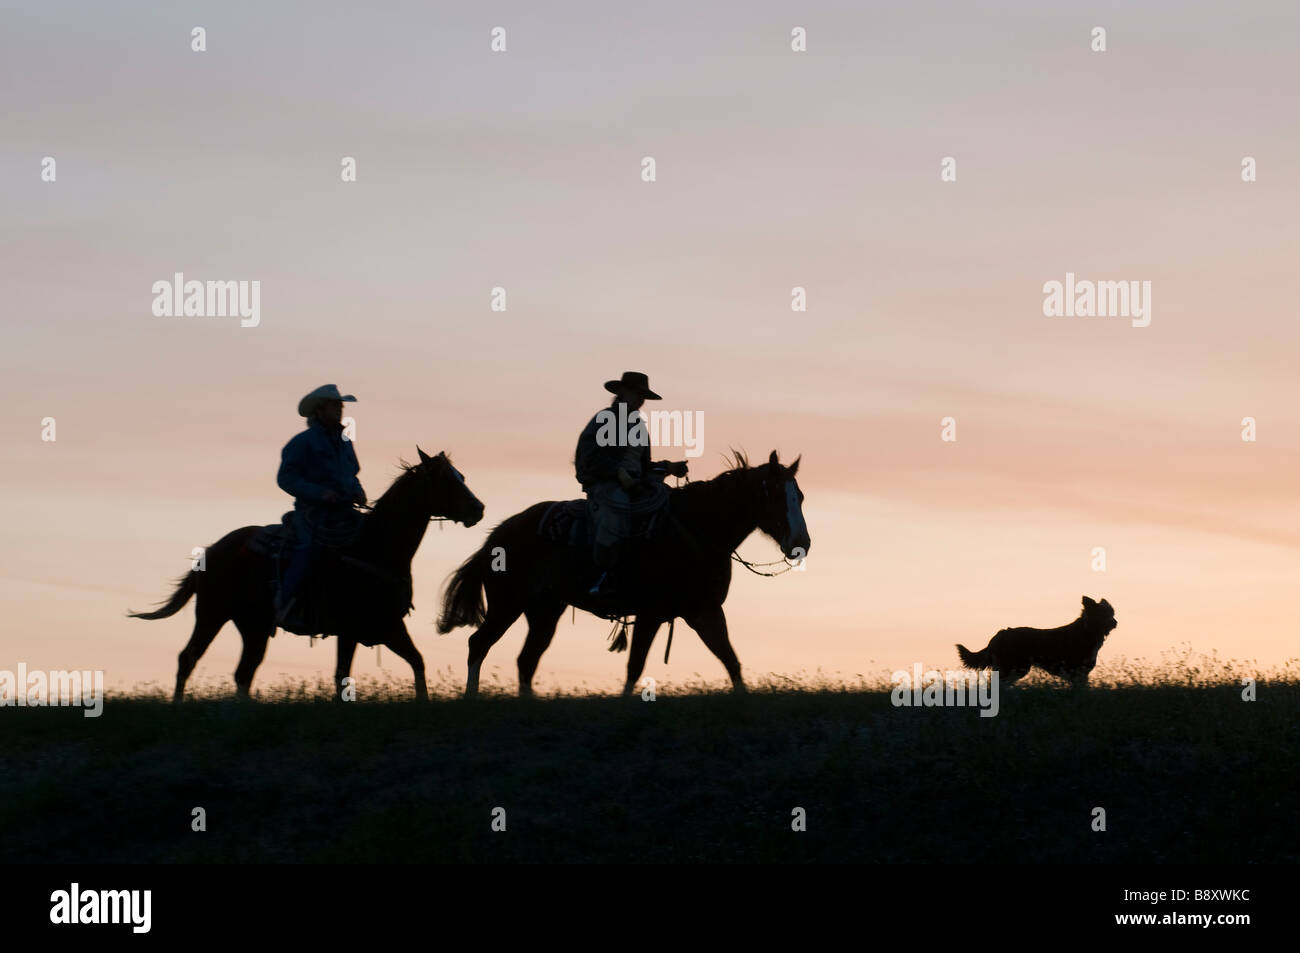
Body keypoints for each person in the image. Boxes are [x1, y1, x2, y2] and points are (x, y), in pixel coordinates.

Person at [574, 372, 688, 595]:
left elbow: (643, 468)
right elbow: (589, 457)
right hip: (606, 487)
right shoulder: (605, 420)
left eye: (642, 395)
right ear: (622, 392)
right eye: (637, 393)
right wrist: (618, 474)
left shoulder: (638, 427)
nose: (640, 399)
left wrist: (668, 468)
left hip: (635, 485)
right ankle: (602, 577)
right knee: (616, 513)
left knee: (667, 508)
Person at [274, 384, 367, 624]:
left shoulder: (345, 442)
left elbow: (352, 474)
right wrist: (320, 493)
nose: (339, 410)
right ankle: (284, 604)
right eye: (334, 405)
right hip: (313, 513)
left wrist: (358, 491)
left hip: (345, 511)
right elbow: (286, 478)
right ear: (319, 411)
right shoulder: (302, 442)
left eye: (340, 405)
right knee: (310, 549)